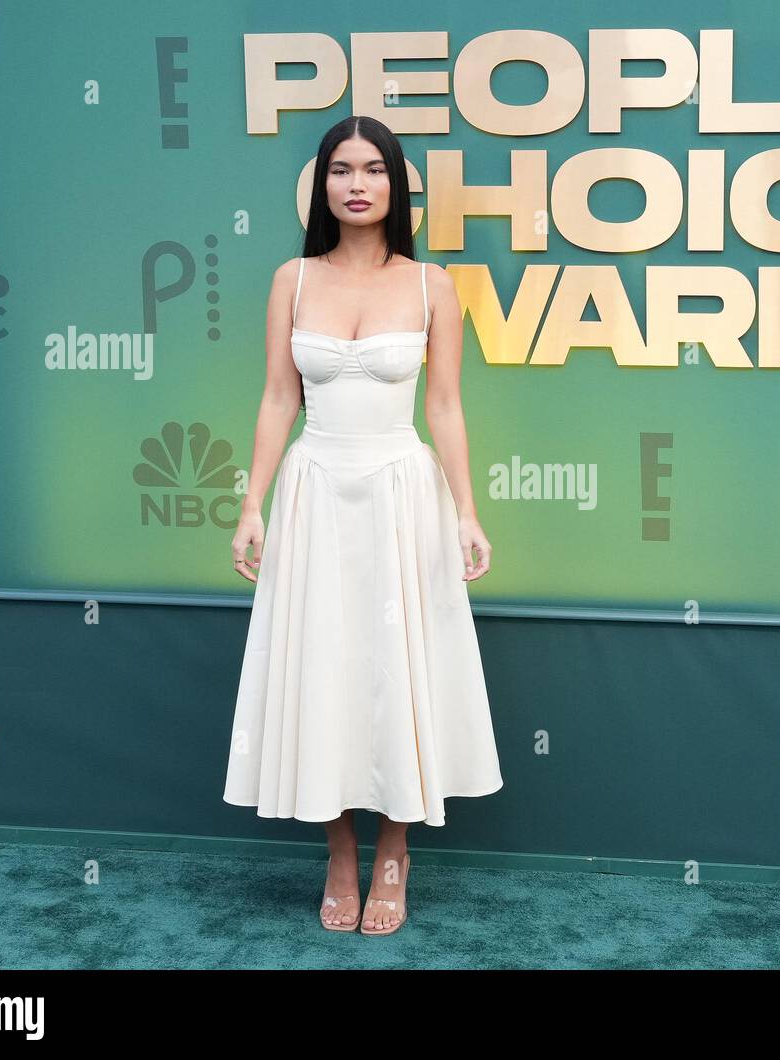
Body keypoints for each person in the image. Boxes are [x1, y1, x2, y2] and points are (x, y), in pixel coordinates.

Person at [222, 115, 504, 936]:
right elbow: (280, 396)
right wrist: (252, 503)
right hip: (313, 491)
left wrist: (467, 511)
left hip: (399, 493)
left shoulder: (431, 286)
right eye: (340, 169)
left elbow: (444, 406)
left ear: (395, 184)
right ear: (321, 185)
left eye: (373, 169)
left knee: (395, 668)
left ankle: (394, 853)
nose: (356, 183)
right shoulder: (292, 280)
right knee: (325, 669)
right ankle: (340, 853)